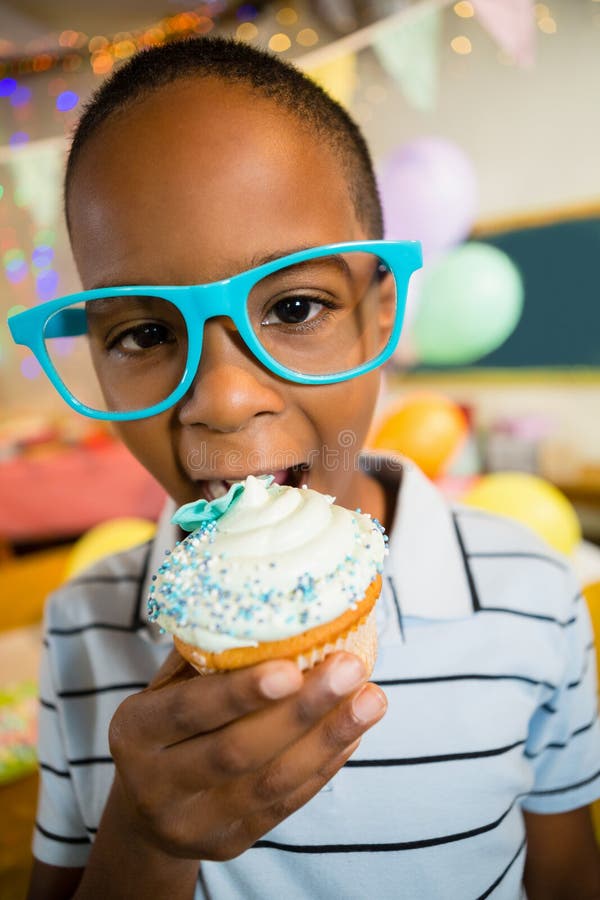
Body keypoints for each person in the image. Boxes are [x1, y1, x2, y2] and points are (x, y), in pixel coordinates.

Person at [10, 37, 599, 900]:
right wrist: (142, 838)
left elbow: (566, 876)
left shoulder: (535, 600)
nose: (222, 396)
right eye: (142, 333)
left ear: (377, 317)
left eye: (293, 307)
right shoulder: (80, 629)